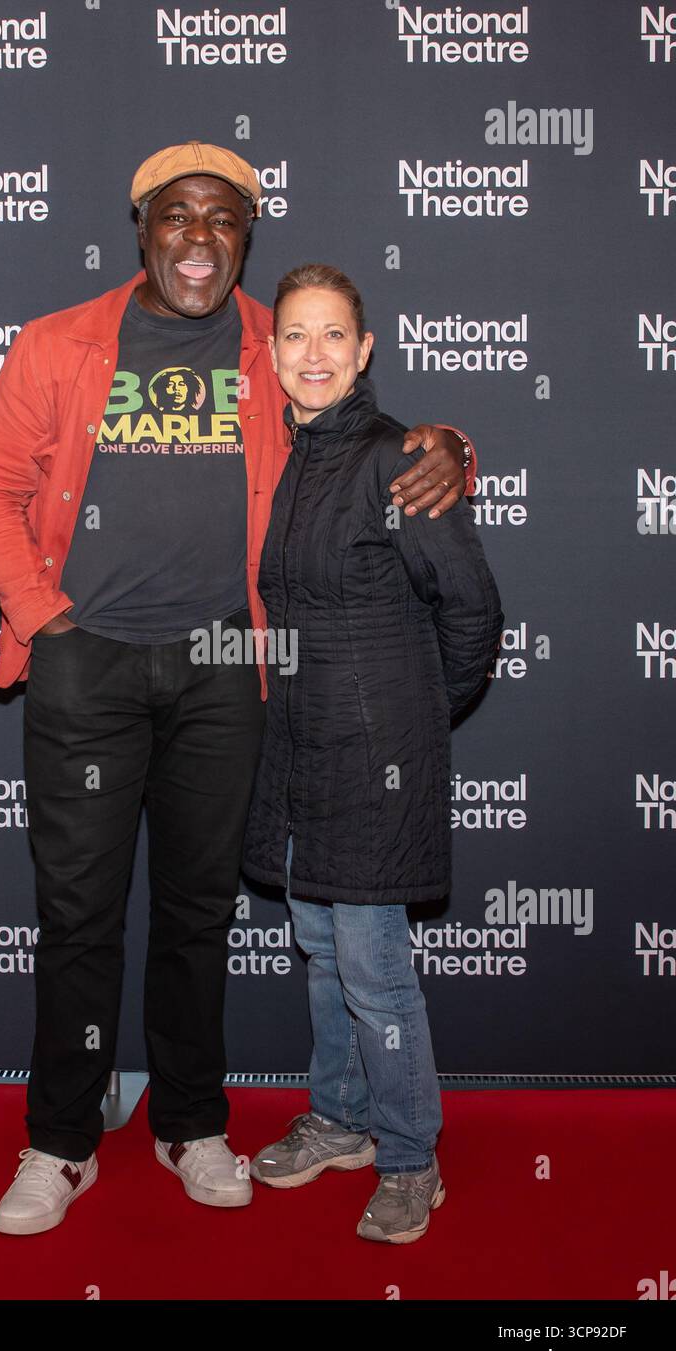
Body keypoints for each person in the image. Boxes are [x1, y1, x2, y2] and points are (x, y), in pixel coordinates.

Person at [0, 143, 478, 1236]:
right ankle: (60, 1139)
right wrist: (46, 620)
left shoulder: (269, 346)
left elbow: (359, 431)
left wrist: (450, 448)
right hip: (87, 662)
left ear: (247, 236)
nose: (201, 237)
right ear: (142, 227)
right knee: (78, 915)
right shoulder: (59, 343)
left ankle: (191, 1122)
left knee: (198, 911)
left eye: (225, 217)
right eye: (179, 215)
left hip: (225, 668)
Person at [241, 264, 503, 1243]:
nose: (312, 353)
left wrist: (417, 714)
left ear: (363, 352)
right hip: (300, 754)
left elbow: (472, 610)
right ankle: (342, 1120)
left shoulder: (402, 460)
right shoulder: (289, 457)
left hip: (377, 760)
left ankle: (409, 1157)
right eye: (294, 335)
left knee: (373, 966)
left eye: (332, 336)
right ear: (273, 354)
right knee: (320, 949)